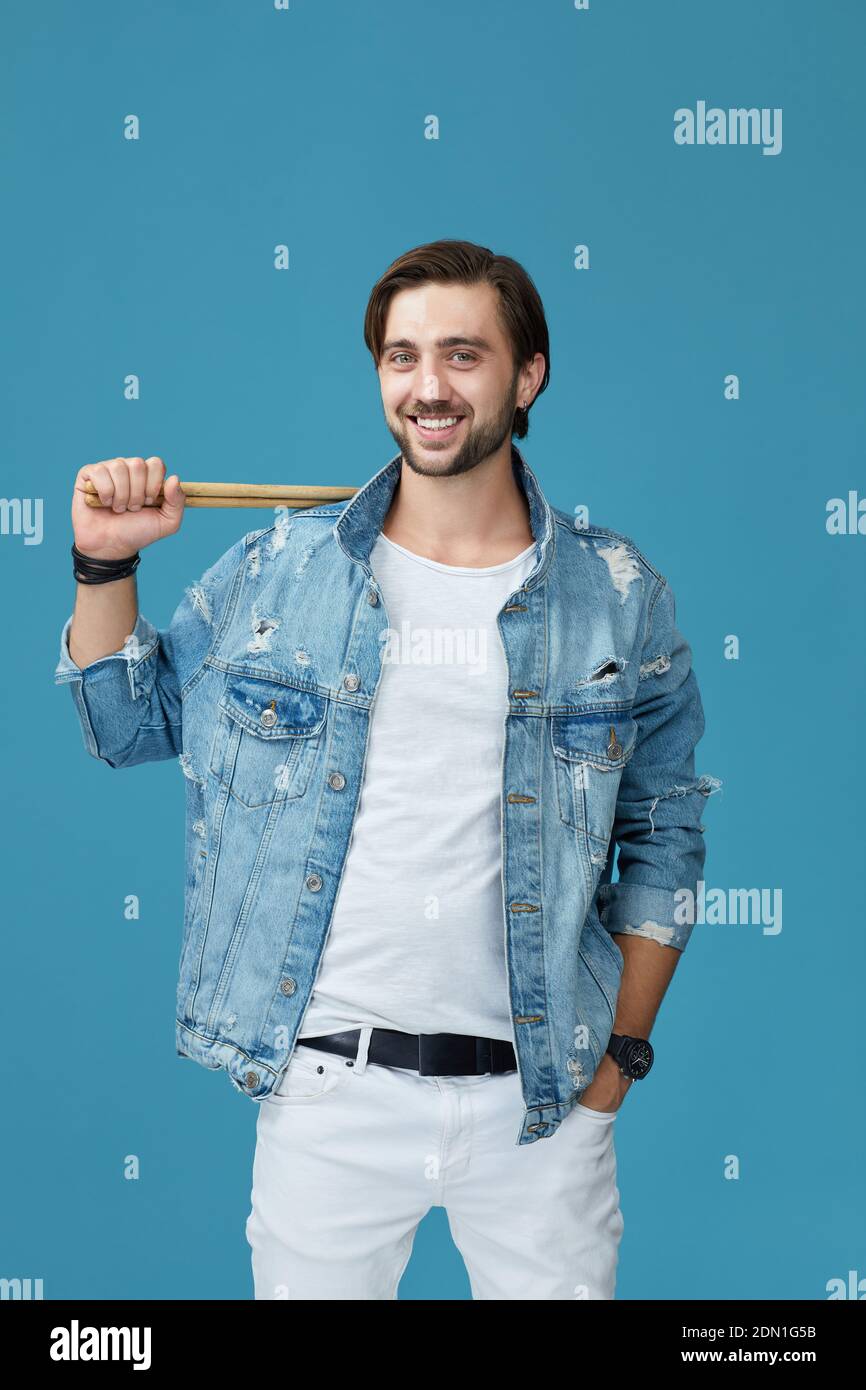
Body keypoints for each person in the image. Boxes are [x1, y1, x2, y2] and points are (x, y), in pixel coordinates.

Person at [54, 239, 718, 1300]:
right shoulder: (283, 567)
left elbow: (666, 832)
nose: (427, 386)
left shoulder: (615, 594)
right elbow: (128, 726)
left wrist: (614, 1065)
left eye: (461, 354)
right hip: (329, 1093)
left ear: (526, 374)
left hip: (539, 1104)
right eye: (401, 357)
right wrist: (105, 562)